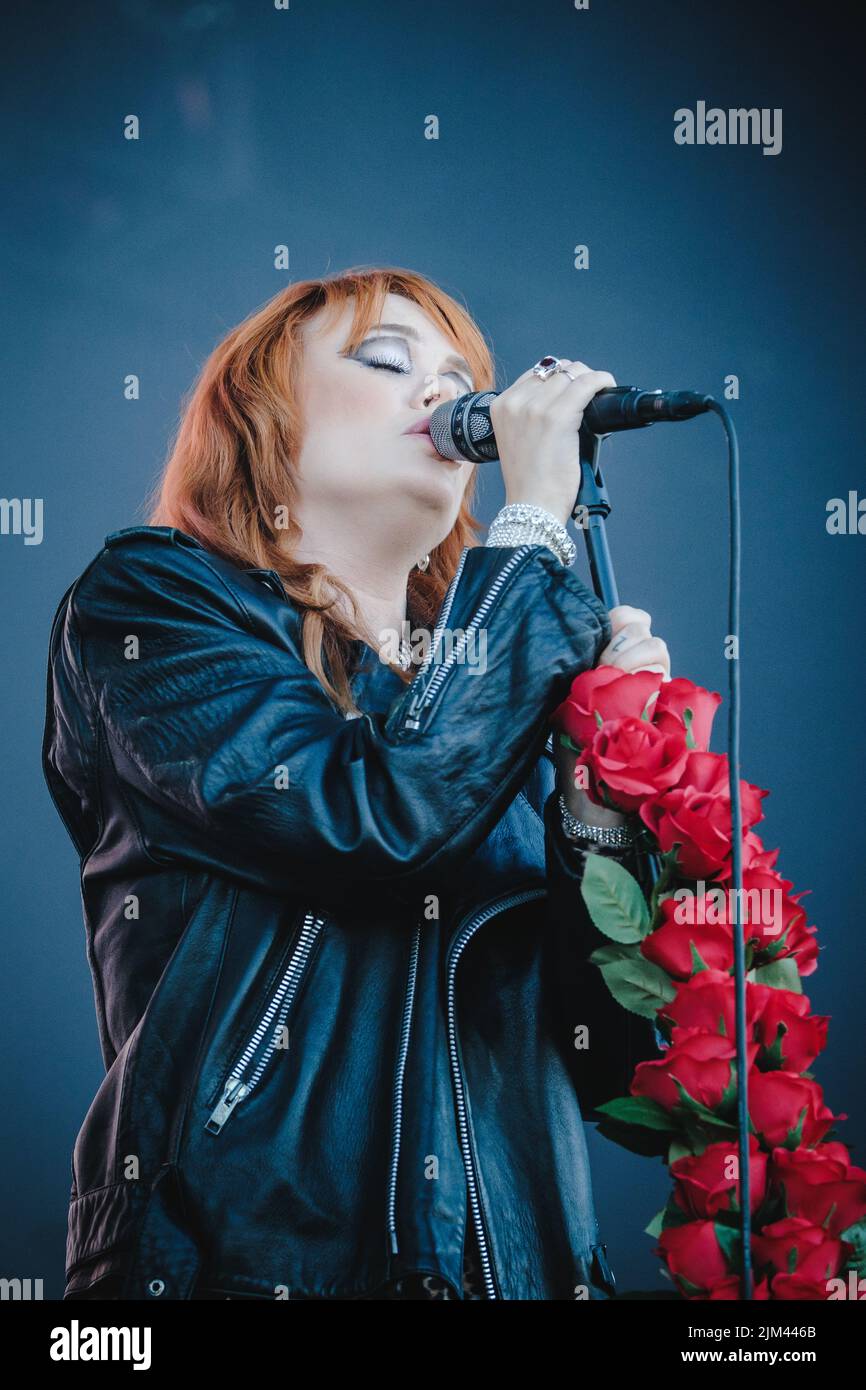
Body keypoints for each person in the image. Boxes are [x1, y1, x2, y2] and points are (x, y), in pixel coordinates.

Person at [42, 266, 671, 1301]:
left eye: (460, 375)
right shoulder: (154, 601)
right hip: (245, 1266)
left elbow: (622, 1072)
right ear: (263, 417)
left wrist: (589, 803)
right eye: (386, 359)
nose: (445, 392)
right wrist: (530, 535)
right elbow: (373, 817)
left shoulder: (488, 689)